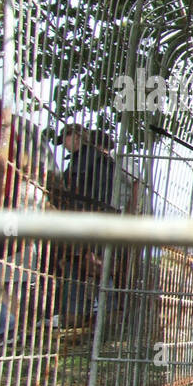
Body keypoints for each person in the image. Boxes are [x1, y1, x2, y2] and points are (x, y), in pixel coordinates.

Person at [54, 122, 116, 326]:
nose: (63, 143)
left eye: (65, 137)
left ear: (77, 136)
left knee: (91, 263)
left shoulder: (91, 159)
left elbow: (90, 193)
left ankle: (107, 312)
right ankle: (77, 316)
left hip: (90, 218)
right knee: (76, 264)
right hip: (87, 218)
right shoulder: (81, 159)